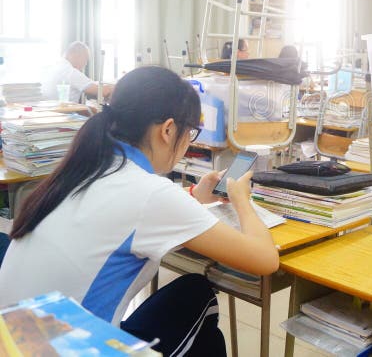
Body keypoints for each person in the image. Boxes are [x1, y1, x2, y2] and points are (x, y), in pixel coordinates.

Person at [0, 66, 279, 355]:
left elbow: (125, 213)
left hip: (17, 342)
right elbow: (265, 260)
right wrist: (242, 199)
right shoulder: (151, 194)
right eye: (191, 133)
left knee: (193, 294)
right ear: (168, 130)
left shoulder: (84, 168)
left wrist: (195, 196)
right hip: (73, 348)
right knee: (200, 303)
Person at [43, 41, 114, 102]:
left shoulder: (54, 66)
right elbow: (103, 91)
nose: (85, 64)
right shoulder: (70, 72)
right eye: (85, 59)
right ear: (76, 56)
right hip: (64, 114)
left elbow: (90, 83)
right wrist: (119, 86)